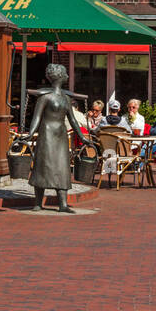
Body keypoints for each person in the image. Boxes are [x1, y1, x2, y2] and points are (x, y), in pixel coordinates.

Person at [28, 63, 93, 212]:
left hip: (61, 135)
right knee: (42, 166)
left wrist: (82, 137)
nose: (68, 76)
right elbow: (36, 118)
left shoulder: (65, 98)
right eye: (65, 74)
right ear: (59, 77)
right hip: (46, 133)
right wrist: (30, 133)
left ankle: (62, 204)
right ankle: (38, 202)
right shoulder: (45, 97)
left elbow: (73, 120)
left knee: (62, 167)